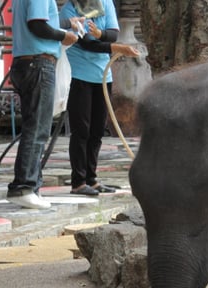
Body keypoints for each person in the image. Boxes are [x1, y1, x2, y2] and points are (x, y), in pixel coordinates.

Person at [59, 0, 140, 196]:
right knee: (82, 130)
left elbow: (112, 33)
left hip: (102, 76)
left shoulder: (105, 4)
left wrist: (100, 35)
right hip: (79, 75)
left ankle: (91, 179)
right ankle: (78, 182)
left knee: (97, 130)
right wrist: (117, 48)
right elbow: (87, 43)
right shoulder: (69, 9)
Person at [7, 0, 79, 209]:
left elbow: (41, 19)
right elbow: (37, 25)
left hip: (26, 63)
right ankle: (24, 187)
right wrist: (63, 36)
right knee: (37, 128)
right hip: (38, 64)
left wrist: (66, 23)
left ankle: (30, 186)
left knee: (35, 127)